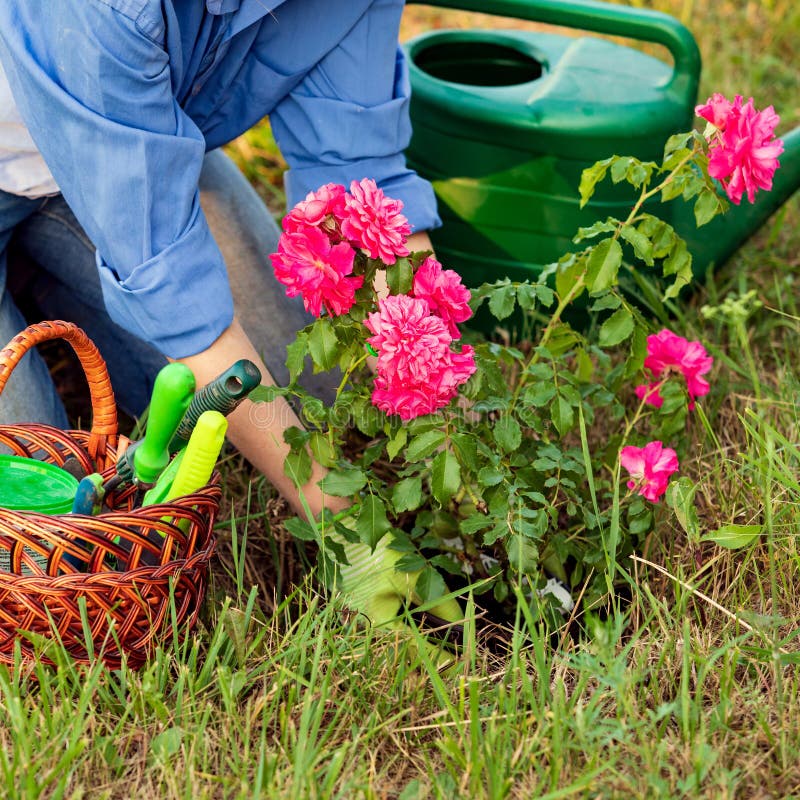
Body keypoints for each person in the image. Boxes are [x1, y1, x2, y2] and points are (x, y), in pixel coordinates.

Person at [0, 1, 462, 628]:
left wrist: (454, 414)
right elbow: (175, 288)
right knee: (41, 537)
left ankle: (56, 282)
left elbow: (364, 185)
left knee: (302, 394)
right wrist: (344, 531)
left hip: (140, 154)